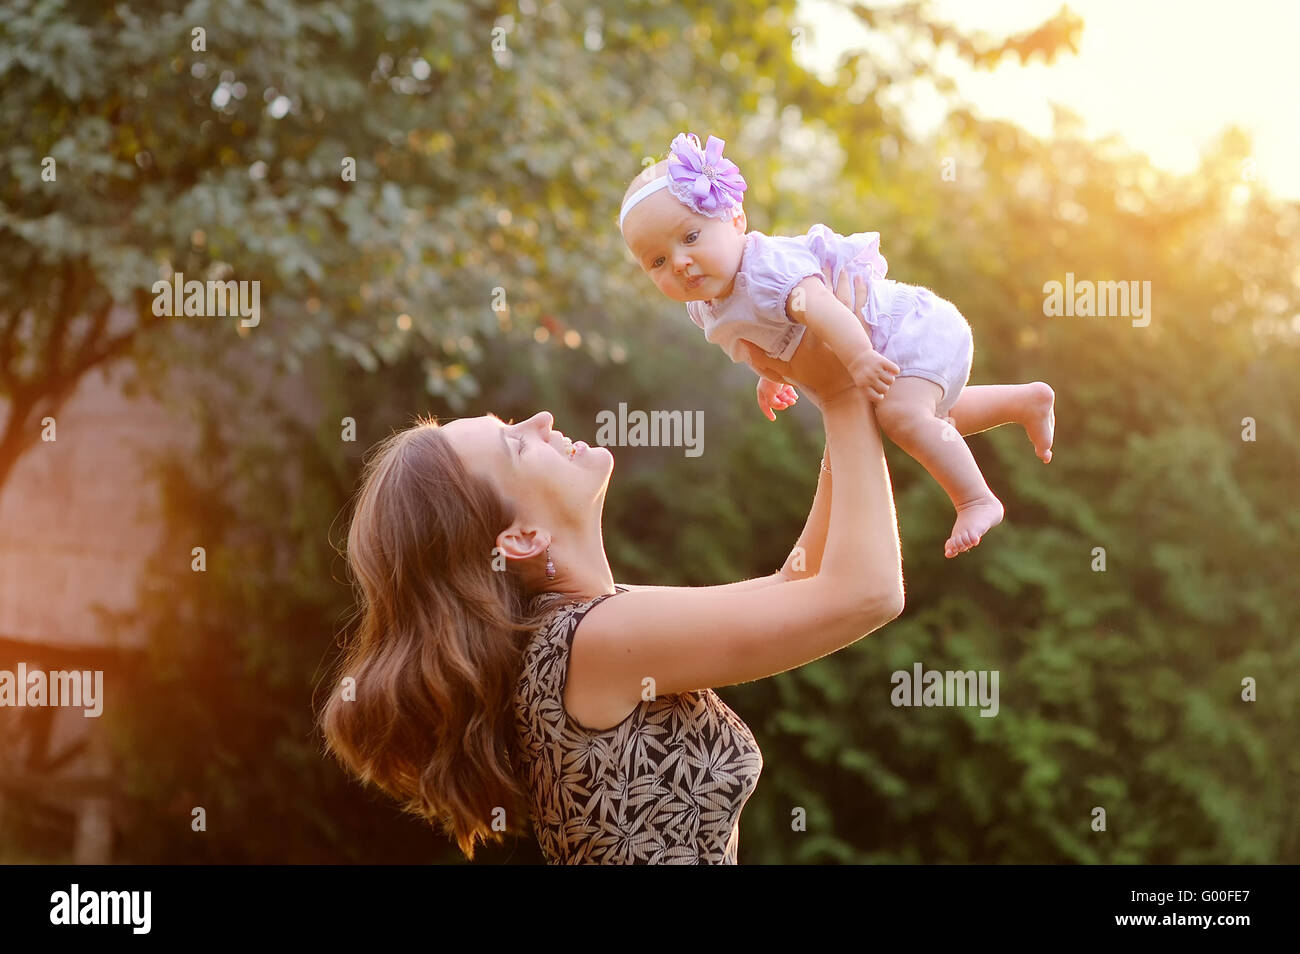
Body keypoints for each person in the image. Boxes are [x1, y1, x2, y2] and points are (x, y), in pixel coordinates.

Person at [318, 267, 919, 863]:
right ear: (522, 536)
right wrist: (842, 395)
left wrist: (836, 403)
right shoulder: (594, 641)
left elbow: (801, 582)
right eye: (515, 444)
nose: (541, 422)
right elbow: (866, 593)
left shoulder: (584, 631)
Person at [620, 132, 1056, 558]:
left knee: (902, 416)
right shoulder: (706, 307)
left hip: (908, 328)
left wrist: (860, 356)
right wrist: (768, 378)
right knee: (930, 420)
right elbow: (755, 340)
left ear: (736, 220)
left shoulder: (766, 268)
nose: (678, 262)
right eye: (657, 261)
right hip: (894, 343)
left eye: (691, 237)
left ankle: (977, 500)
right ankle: (1024, 401)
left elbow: (821, 307)